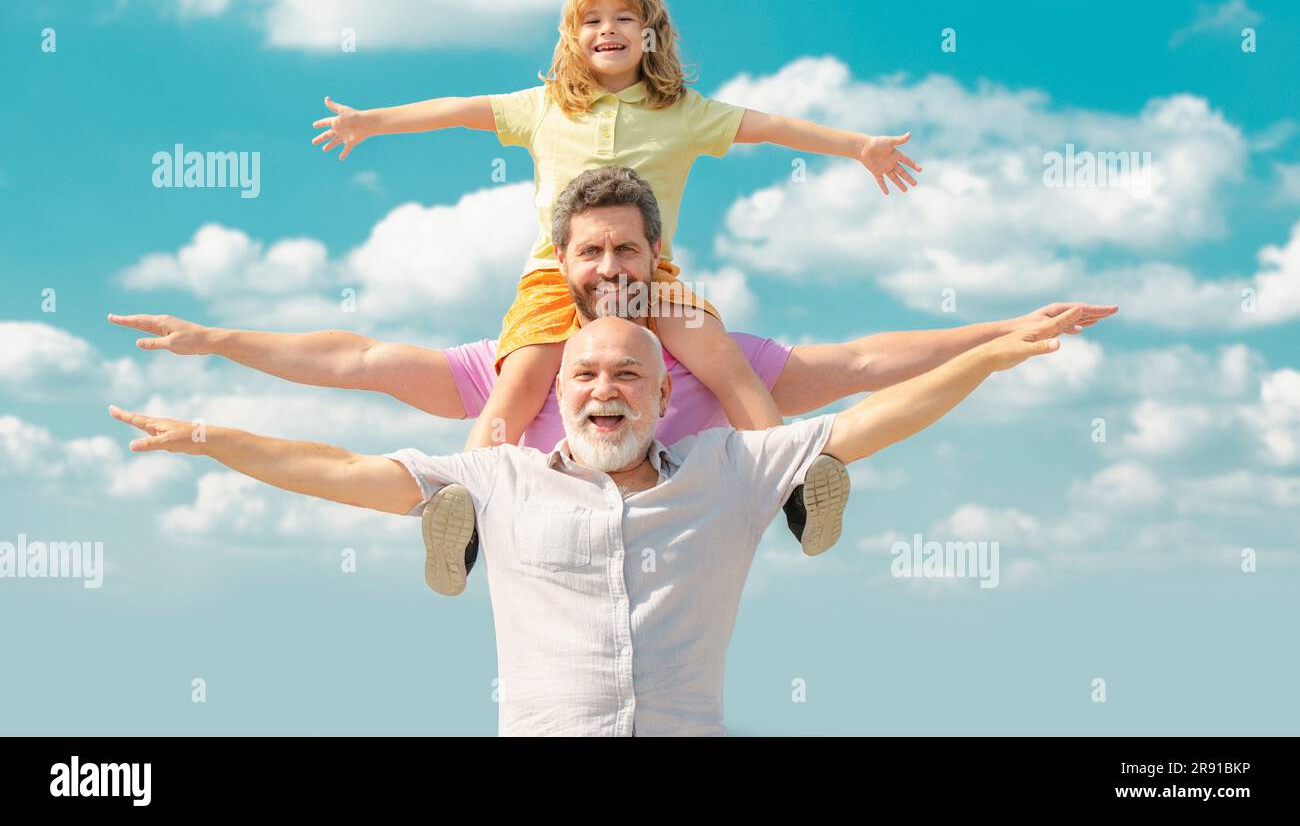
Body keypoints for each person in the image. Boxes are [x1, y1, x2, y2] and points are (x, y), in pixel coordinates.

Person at [108, 167, 1117, 595]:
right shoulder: (535, 347)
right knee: (483, 453)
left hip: (684, 541)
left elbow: (852, 365)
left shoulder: (692, 334)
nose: (611, 271)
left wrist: (997, 330)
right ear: (563, 262)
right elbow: (364, 361)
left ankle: (797, 499)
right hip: (553, 554)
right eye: (590, 253)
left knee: (765, 418)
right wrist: (220, 337)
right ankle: (459, 523)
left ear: (655, 251)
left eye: (627, 251)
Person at [108, 306, 1095, 736]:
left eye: (628, 373)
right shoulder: (497, 477)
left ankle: (808, 507)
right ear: (558, 393)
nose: (603, 388)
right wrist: (208, 432)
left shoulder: (726, 468)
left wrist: (989, 354)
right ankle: (445, 549)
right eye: (583, 373)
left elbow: (872, 405)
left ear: (665, 397)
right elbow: (341, 464)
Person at [309, 0, 922, 455]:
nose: (608, 29)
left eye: (625, 18)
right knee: (518, 385)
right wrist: (372, 122)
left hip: (647, 281)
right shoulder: (546, 105)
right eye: (592, 20)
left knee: (723, 360)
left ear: (649, 35)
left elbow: (771, 128)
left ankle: (791, 479)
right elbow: (461, 109)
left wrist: (858, 147)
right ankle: (466, 499)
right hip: (556, 278)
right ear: (573, 39)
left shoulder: (683, 112)